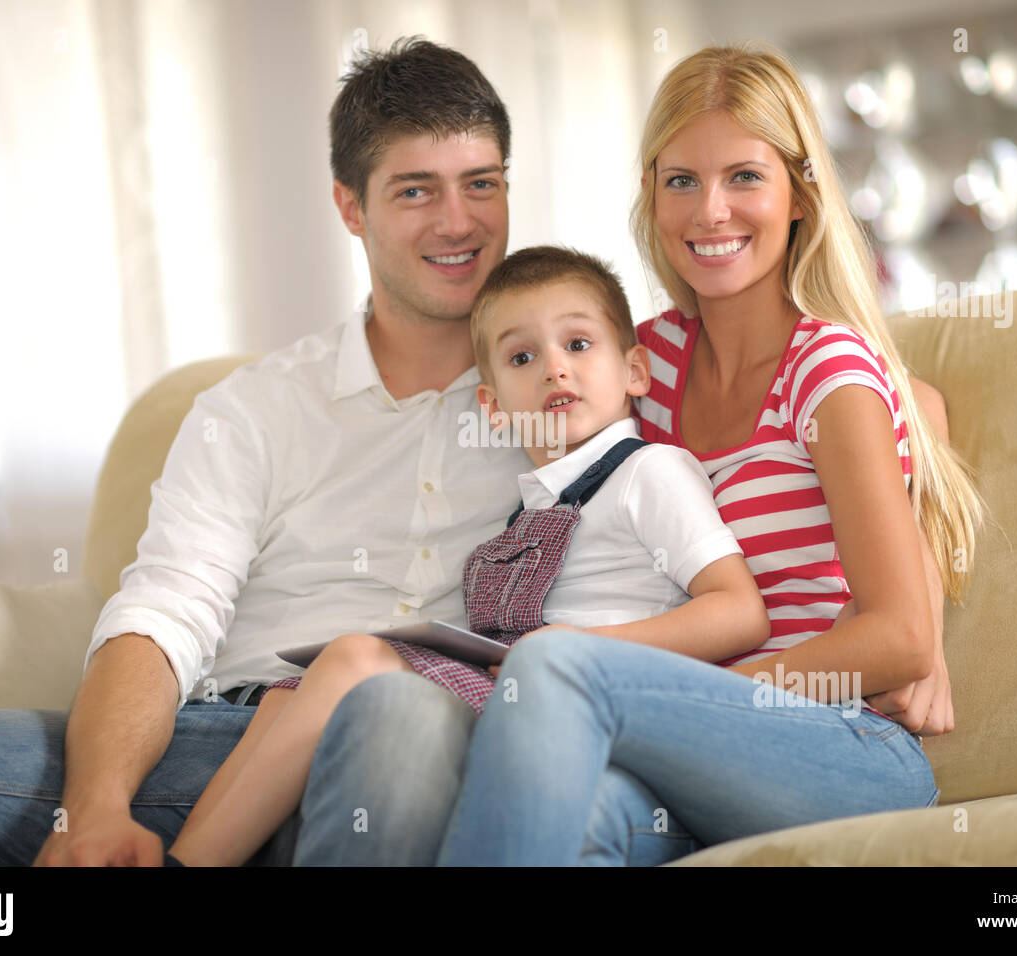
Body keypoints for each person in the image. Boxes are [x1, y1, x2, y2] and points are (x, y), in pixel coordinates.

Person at [0, 37, 951, 869]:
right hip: (224, 741)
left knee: (392, 706)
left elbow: (888, 398)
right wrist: (95, 803)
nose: (458, 220)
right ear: (350, 205)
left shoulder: (589, 382)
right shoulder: (262, 410)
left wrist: (918, 621)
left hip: (429, 743)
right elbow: (162, 610)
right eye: (415, 190)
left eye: (481, 183)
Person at [435, 41, 986, 865]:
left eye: (745, 178)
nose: (710, 213)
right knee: (574, 816)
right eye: (681, 181)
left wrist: (704, 694)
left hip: (842, 746)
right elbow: (923, 404)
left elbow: (900, 639)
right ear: (651, 195)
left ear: (800, 194)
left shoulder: (826, 370)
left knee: (556, 669)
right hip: (692, 755)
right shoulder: (638, 366)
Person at [162, 246, 770, 865]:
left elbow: (740, 612)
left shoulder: (650, 473)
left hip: (588, 715)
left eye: (579, 345)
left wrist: (571, 654)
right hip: (516, 700)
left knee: (351, 656)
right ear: (494, 409)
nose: (555, 370)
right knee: (295, 688)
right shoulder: (531, 508)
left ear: (635, 370)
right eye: (523, 357)